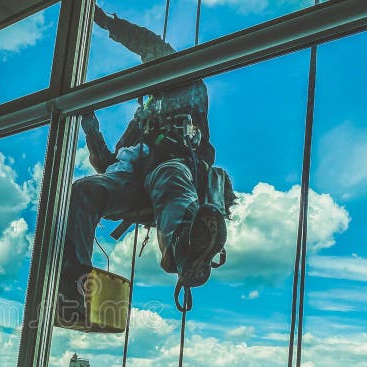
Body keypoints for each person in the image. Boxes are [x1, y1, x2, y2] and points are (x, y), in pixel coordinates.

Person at [57, 6, 235, 324]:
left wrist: (106, 22)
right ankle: (73, 292)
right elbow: (108, 165)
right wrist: (90, 128)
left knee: (170, 177)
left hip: (169, 167)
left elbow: (149, 44)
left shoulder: (185, 87)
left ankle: (184, 246)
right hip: (133, 179)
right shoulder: (140, 124)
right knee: (82, 191)